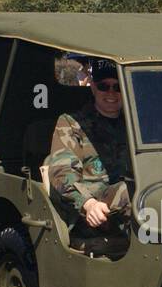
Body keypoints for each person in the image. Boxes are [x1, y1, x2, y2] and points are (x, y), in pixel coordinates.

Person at [47, 59, 132, 255]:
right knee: (131, 191)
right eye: (104, 87)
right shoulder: (71, 123)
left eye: (117, 87)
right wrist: (88, 204)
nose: (111, 93)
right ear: (93, 88)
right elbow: (61, 172)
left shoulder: (132, 125)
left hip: (128, 209)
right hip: (90, 213)